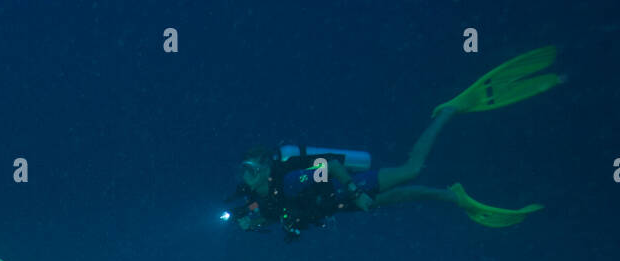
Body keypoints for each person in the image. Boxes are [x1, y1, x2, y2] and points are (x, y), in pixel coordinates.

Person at [226, 47, 560, 239]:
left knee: (411, 171)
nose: (246, 175)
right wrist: (253, 221)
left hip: (346, 189)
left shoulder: (287, 179)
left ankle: (448, 110)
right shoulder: (264, 198)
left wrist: (355, 192)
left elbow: (329, 168)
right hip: (340, 202)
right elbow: (284, 212)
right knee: (401, 195)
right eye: (244, 170)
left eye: (250, 169)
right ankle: (452, 197)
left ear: (265, 166)